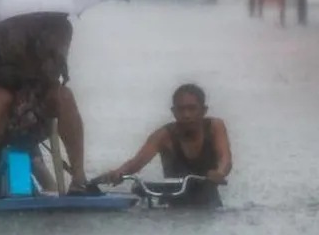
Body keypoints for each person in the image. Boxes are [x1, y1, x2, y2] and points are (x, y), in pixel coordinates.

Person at [0, 13, 86, 197]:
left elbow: (53, 70)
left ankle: (79, 179)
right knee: (1, 100)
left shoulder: (60, 27)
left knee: (65, 96)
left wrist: (34, 50)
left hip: (38, 95)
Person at [93, 83, 232, 208]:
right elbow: (136, 163)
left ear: (204, 110)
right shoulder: (162, 136)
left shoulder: (215, 127)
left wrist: (219, 173)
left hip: (208, 202)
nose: (186, 115)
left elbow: (225, 158)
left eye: (192, 109)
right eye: (181, 110)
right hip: (172, 202)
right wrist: (118, 173)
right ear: (173, 112)